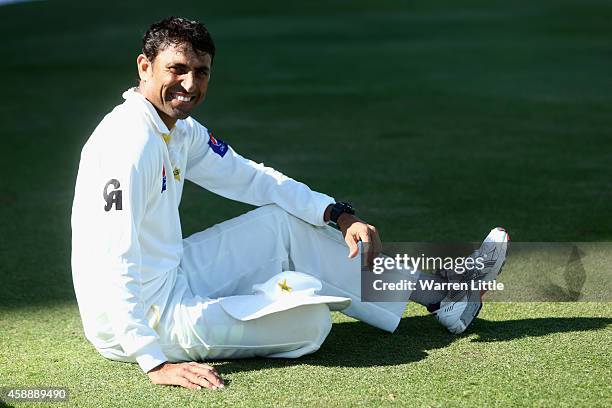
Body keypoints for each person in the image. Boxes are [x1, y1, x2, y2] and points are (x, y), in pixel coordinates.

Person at [71, 17, 509, 390]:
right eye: (177, 69)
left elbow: (252, 177)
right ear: (145, 67)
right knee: (312, 324)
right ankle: (271, 295)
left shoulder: (177, 130)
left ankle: (443, 297)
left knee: (283, 224)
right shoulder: (130, 145)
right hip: (137, 319)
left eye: (200, 72)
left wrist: (338, 213)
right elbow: (117, 258)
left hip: (173, 272)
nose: (189, 84)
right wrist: (153, 359)